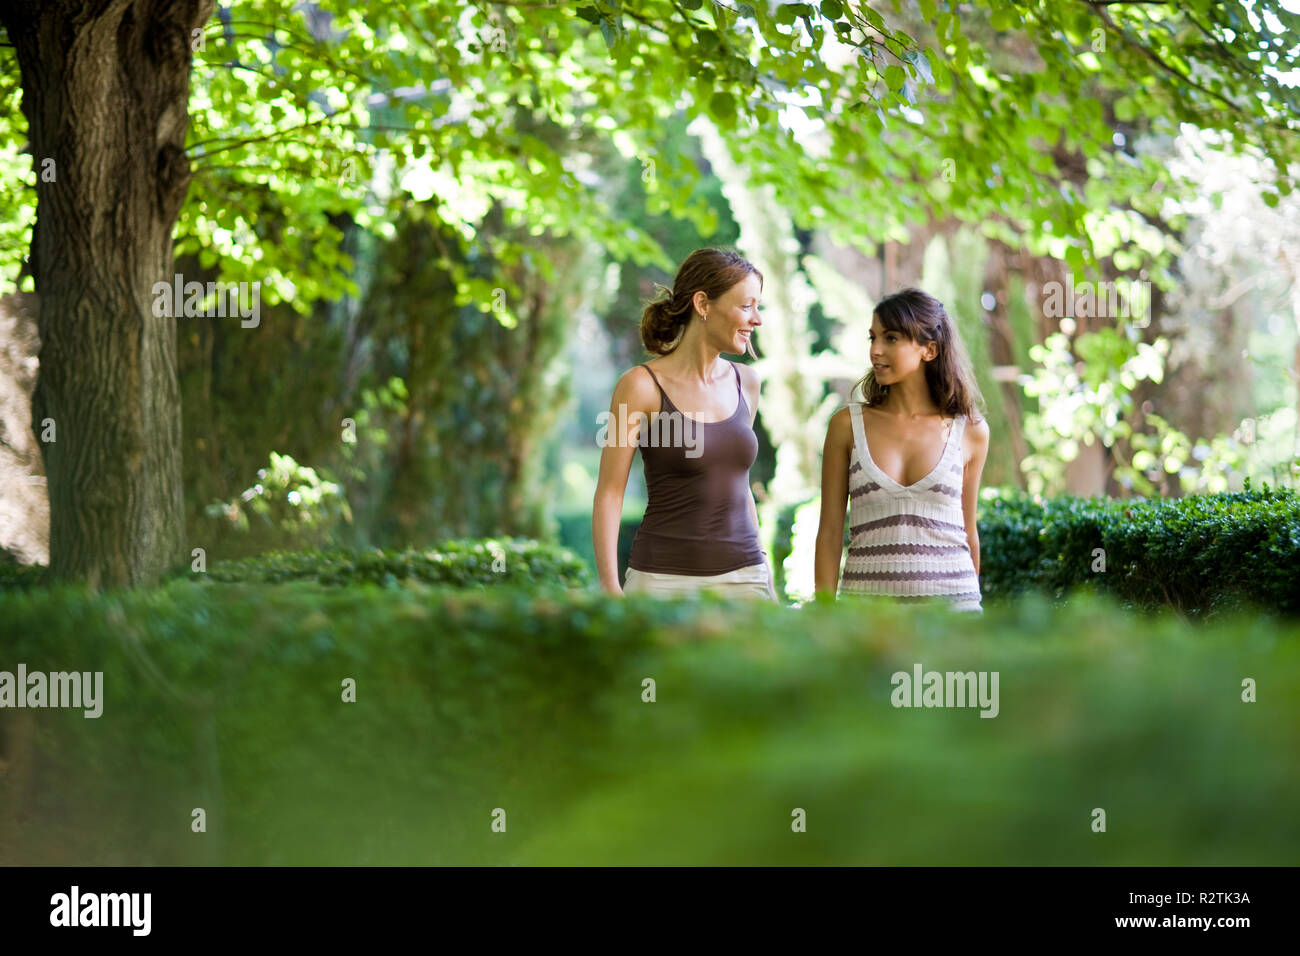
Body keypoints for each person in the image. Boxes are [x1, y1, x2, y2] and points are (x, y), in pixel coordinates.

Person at [592, 247, 775, 600]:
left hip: (747, 578)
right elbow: (610, 492)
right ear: (703, 304)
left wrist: (765, 575)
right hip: (662, 581)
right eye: (746, 306)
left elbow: (739, 485)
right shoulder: (638, 387)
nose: (757, 320)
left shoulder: (747, 383)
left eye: (759, 307)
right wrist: (610, 586)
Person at [814, 288, 990, 612]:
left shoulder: (971, 431)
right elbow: (829, 531)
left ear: (929, 350)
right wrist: (825, 616)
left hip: (953, 612)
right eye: (873, 338)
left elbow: (968, 530)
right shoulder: (846, 426)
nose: (876, 351)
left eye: (891, 338)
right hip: (868, 620)